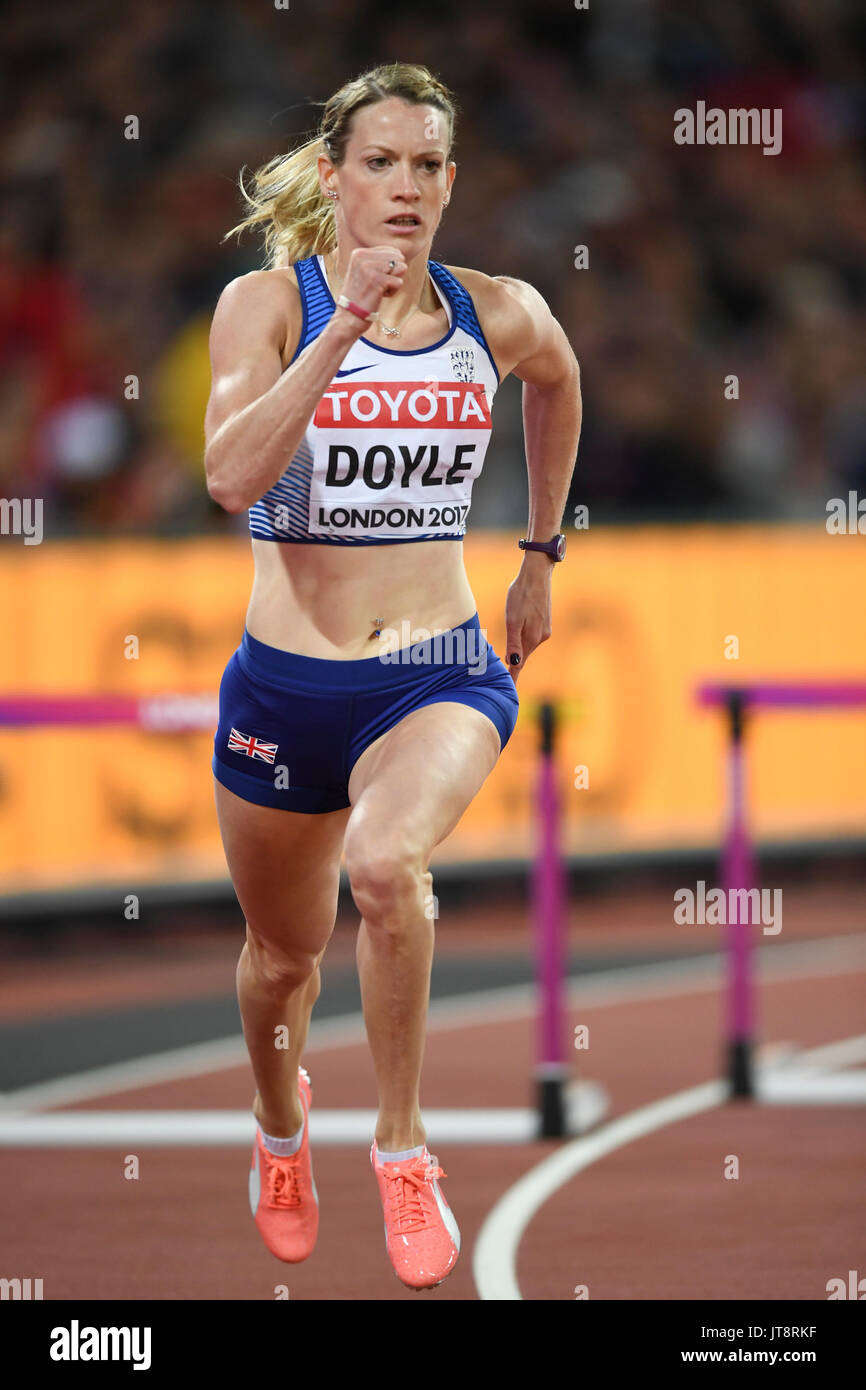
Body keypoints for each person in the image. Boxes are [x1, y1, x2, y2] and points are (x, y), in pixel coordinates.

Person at [204, 61, 581, 1291]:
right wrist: (344, 329)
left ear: (449, 182)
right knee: (281, 957)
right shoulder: (264, 306)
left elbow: (559, 380)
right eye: (380, 162)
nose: (405, 186)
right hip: (284, 687)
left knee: (385, 867)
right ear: (336, 178)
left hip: (435, 665)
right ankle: (279, 1128)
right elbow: (230, 475)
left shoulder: (496, 311)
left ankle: (403, 1147)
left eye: (427, 164)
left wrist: (536, 552)